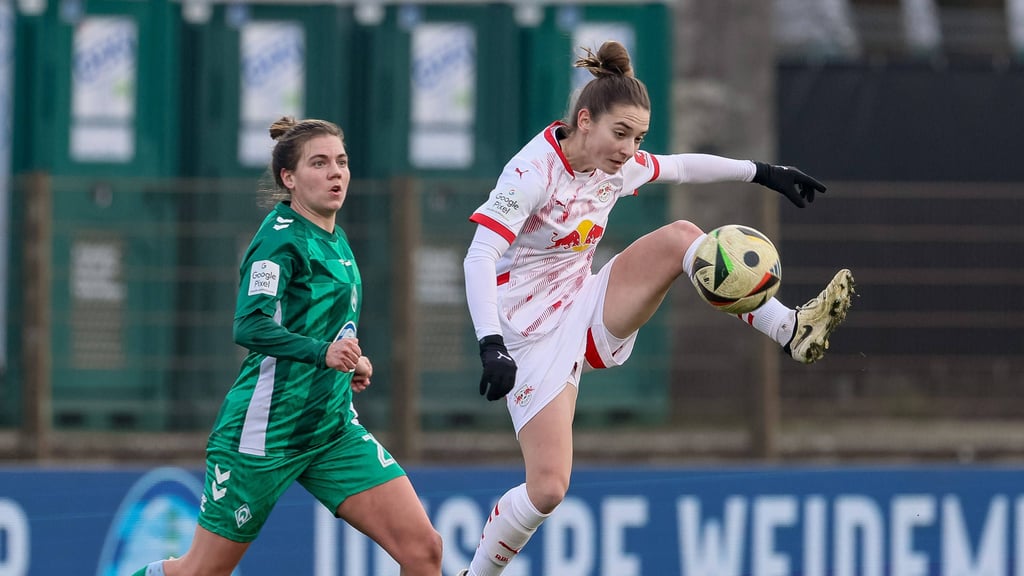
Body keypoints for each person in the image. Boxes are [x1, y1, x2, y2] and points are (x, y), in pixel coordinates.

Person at [457, 41, 854, 576]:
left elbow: (682, 167)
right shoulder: (530, 173)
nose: (629, 149)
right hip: (526, 336)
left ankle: (790, 329)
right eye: (621, 134)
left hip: (587, 307)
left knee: (683, 238)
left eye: (637, 138)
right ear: (584, 121)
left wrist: (762, 171)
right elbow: (480, 253)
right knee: (548, 488)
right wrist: (491, 343)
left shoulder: (615, 166)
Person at [133, 117, 442, 576]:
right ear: (289, 178)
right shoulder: (279, 238)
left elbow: (326, 324)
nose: (335, 173)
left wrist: (350, 360)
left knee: (423, 550)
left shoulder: (332, 235)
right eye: (319, 163)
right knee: (200, 572)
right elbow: (250, 325)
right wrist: (322, 354)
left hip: (331, 429)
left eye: (341, 162)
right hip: (264, 435)